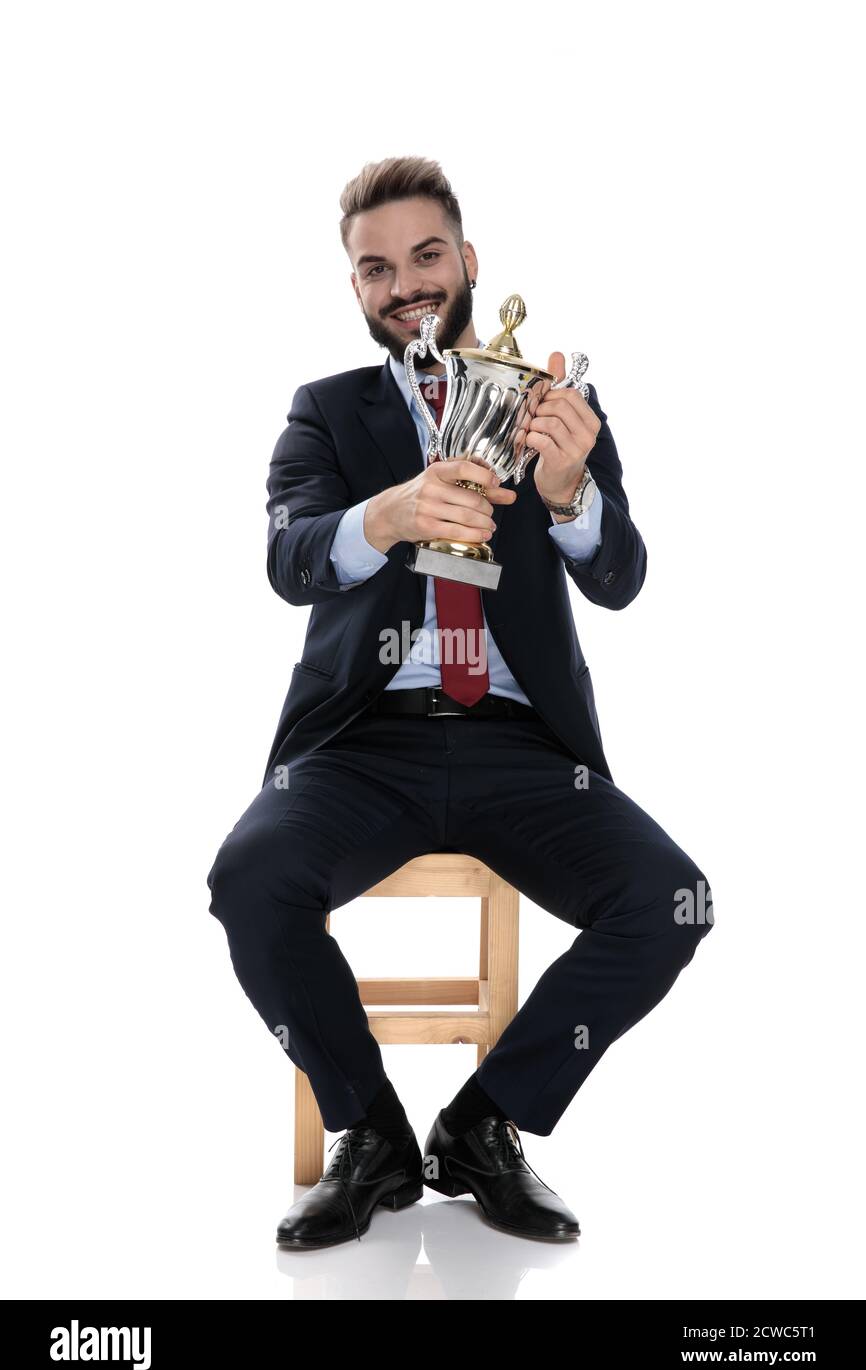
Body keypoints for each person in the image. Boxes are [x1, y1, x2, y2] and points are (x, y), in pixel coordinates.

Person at [207, 155, 714, 1251]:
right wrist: (384, 513)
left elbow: (619, 577)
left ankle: (484, 1124)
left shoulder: (549, 400)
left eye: (424, 255)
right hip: (358, 747)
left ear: (468, 263)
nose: (404, 283)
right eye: (374, 268)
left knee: (672, 900)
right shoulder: (327, 414)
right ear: (356, 291)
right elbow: (290, 557)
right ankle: (372, 1132)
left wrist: (570, 494)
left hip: (525, 751)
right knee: (247, 880)